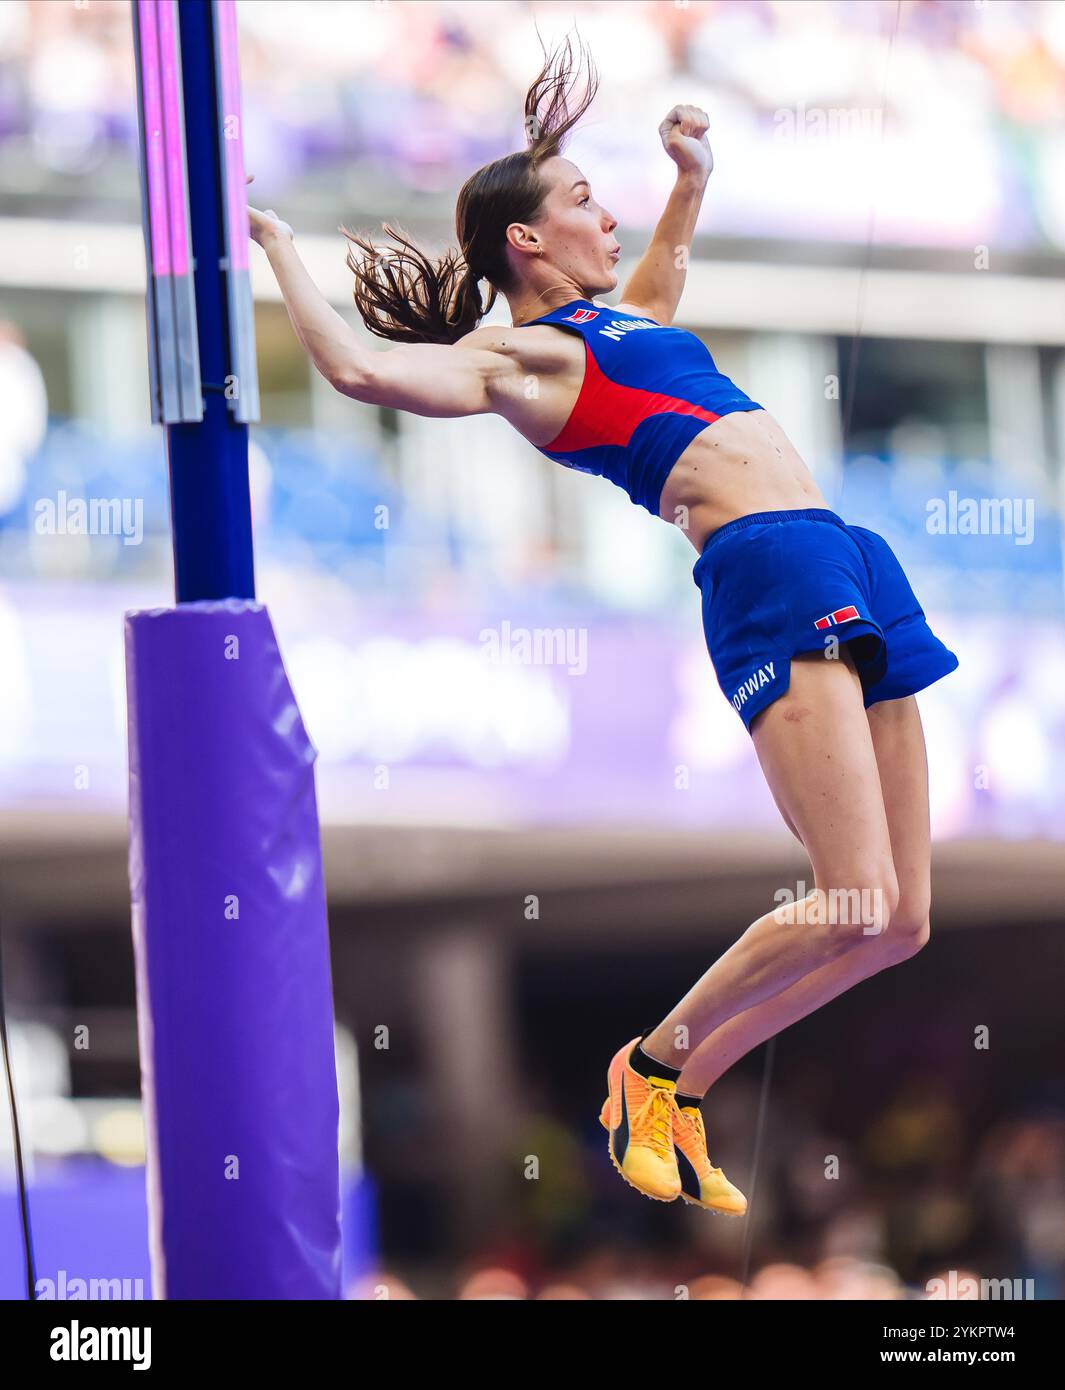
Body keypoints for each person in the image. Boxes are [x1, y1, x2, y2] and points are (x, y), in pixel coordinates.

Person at [248, 37, 958, 1215]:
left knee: (901, 922)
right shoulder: (521, 357)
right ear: (526, 239)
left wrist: (690, 178)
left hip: (851, 552)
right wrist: (278, 249)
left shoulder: (626, 326)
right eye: (584, 199)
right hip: (772, 569)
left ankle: (675, 1084)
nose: (607, 212)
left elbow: (662, 278)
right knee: (849, 895)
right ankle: (655, 1062)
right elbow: (366, 374)